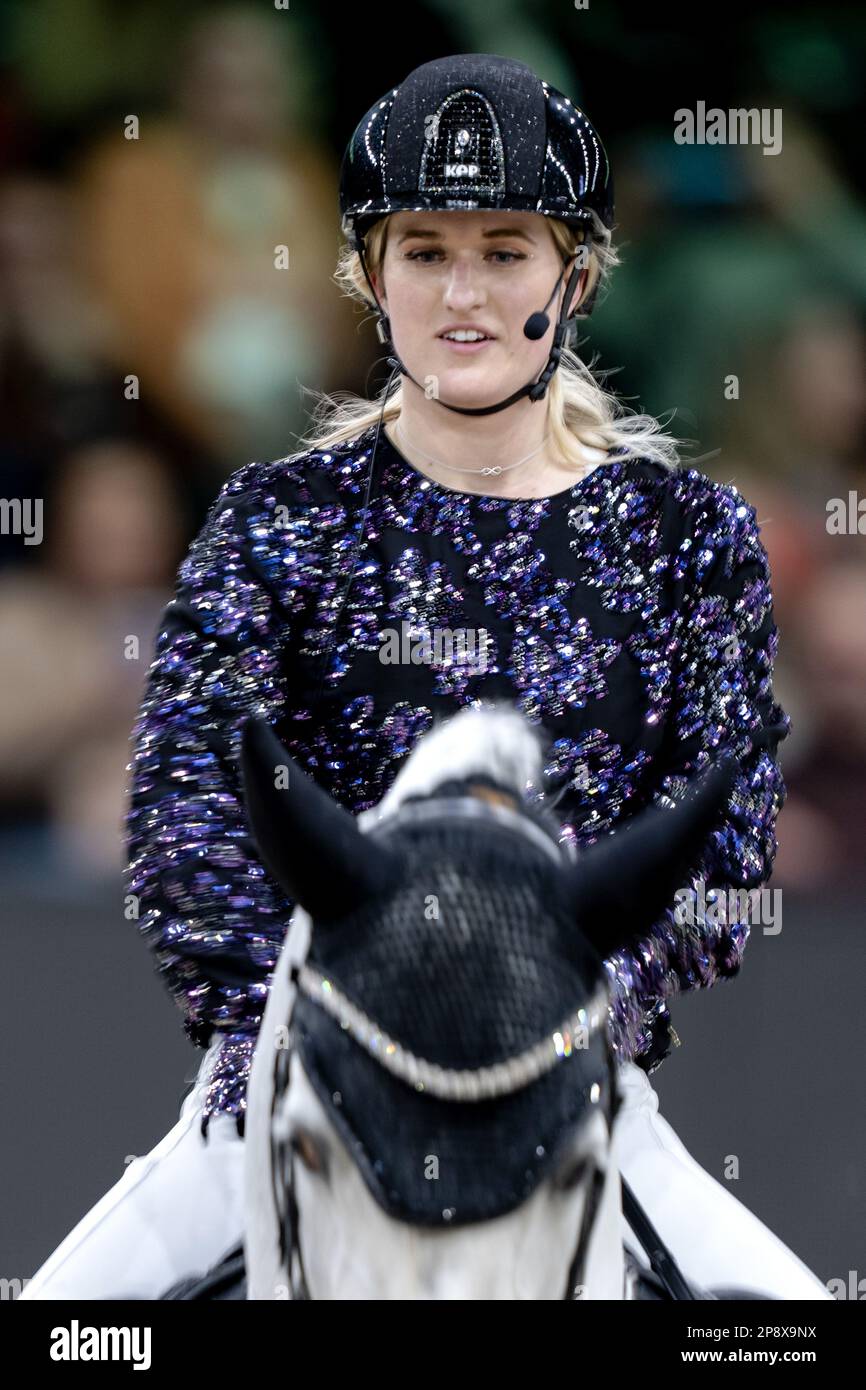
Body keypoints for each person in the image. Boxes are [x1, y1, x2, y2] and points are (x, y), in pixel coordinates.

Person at [20, 54, 832, 1301]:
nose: (462, 292)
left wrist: (551, 1022)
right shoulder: (274, 517)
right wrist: (310, 1028)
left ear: (574, 274)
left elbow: (724, 839)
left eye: (504, 251)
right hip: (290, 1082)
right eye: (424, 251)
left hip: (571, 1086)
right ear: (367, 273)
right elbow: (188, 809)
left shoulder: (685, 538)